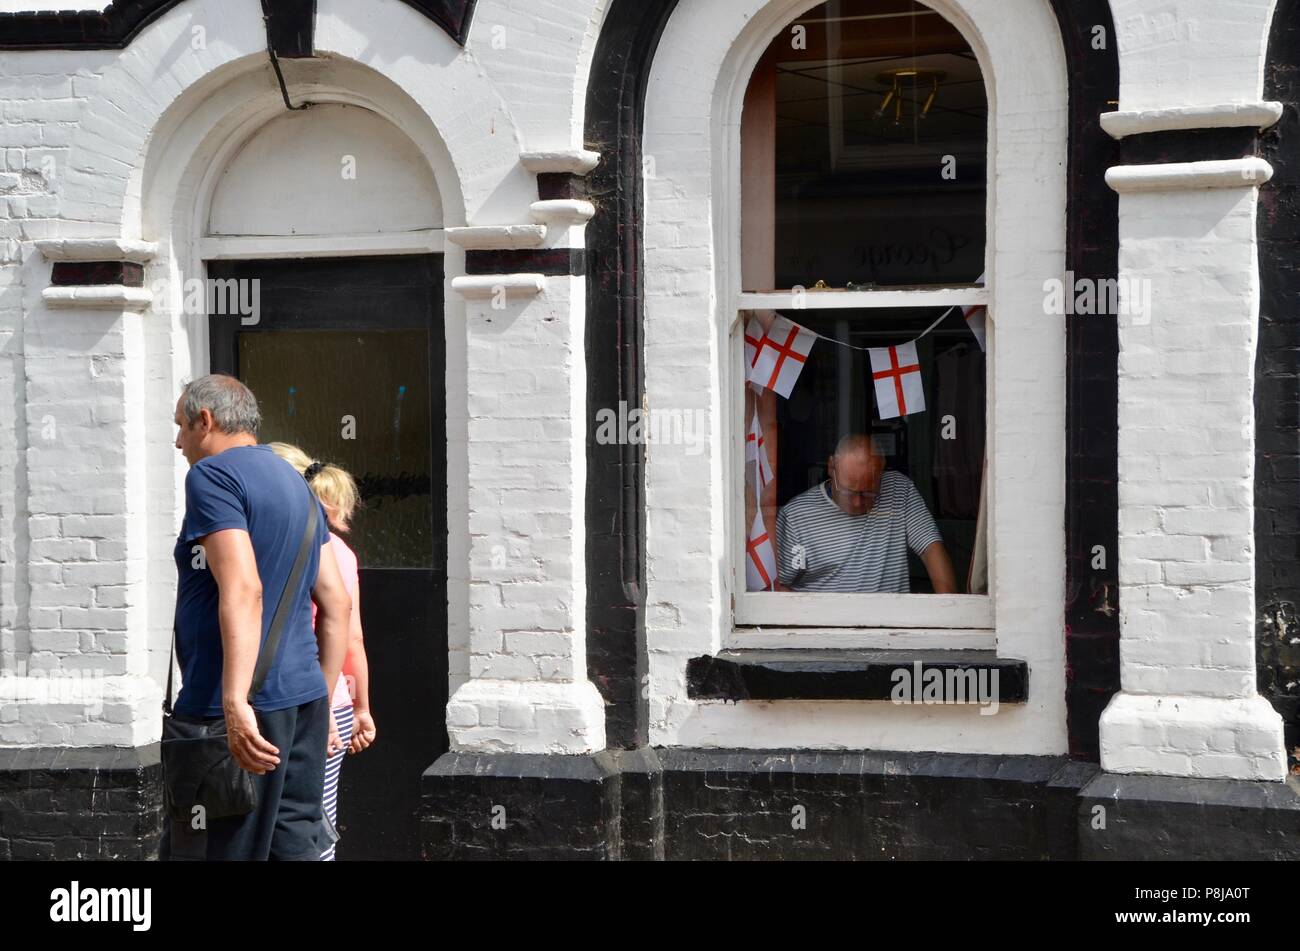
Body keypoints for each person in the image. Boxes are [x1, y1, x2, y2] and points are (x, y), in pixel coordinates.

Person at [162, 374, 352, 861]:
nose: (178, 440)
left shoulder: (212, 477)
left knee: (217, 850)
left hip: (230, 710)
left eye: (181, 426)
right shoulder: (296, 480)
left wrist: (234, 703)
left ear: (205, 420)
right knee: (292, 850)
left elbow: (244, 587)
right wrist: (323, 697)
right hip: (303, 702)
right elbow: (336, 603)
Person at [269, 442, 377, 861]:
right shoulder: (342, 553)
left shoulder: (278, 549)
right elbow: (354, 639)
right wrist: (362, 708)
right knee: (316, 820)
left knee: (290, 825)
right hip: (333, 701)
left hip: (305, 702)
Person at [776, 433, 957, 593]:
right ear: (831, 468)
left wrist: (949, 612)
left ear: (881, 473)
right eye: (848, 492)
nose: (857, 502)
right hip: (826, 626)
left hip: (888, 626)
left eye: (868, 493)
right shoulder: (796, 515)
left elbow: (931, 550)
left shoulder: (899, 491)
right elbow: (782, 585)